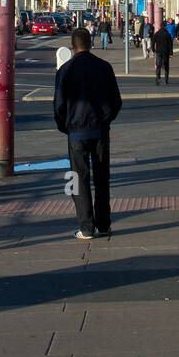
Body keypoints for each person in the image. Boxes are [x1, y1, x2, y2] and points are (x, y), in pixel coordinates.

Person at [53, 27, 122, 240]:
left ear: (72, 47)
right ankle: (104, 224)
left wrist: (66, 126)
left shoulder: (65, 71)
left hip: (76, 133)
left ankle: (86, 227)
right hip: (100, 130)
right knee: (102, 178)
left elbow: (59, 105)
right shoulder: (104, 67)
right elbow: (116, 101)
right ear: (90, 43)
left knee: (79, 179)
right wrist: (106, 119)